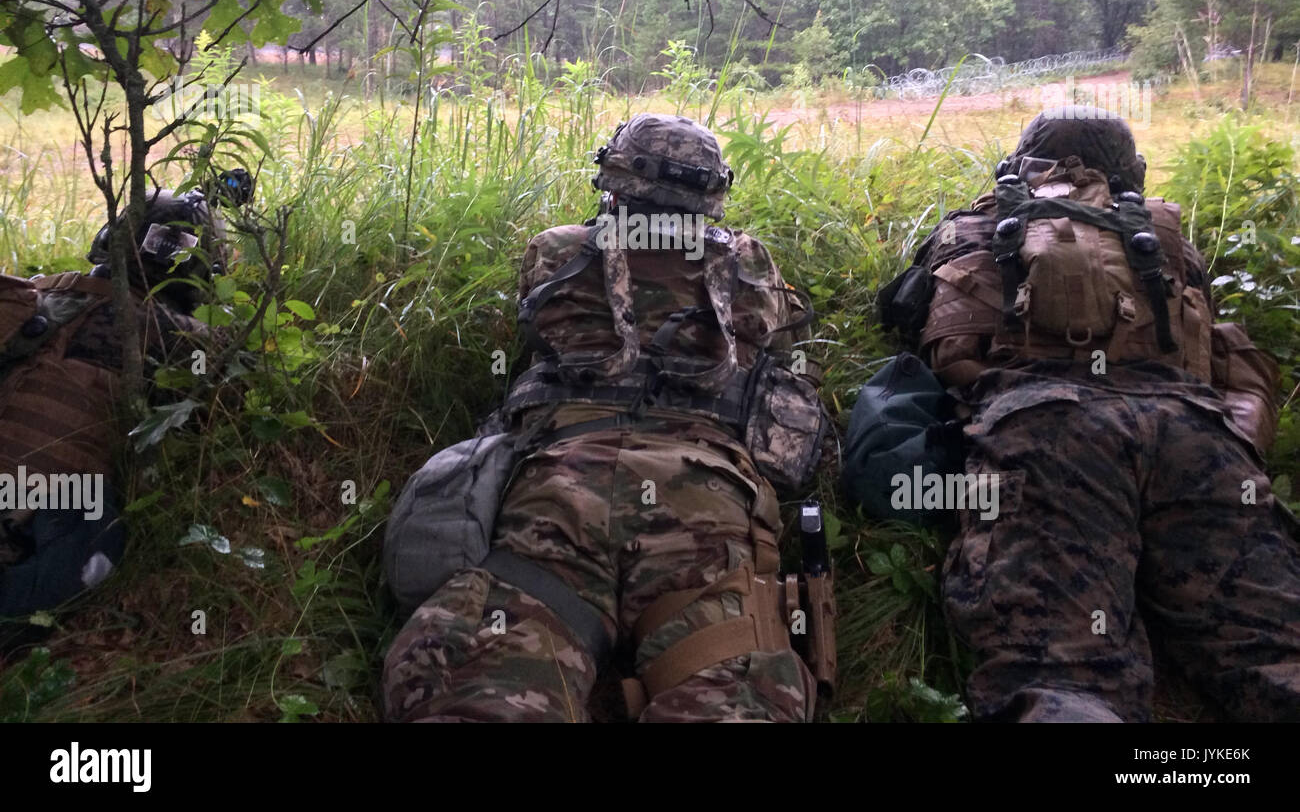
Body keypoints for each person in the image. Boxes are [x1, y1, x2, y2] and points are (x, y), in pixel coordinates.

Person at [384, 113, 833, 723]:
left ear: (615, 183)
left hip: (561, 486)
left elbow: (533, 333)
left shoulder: (559, 249)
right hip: (704, 499)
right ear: (712, 195)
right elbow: (781, 344)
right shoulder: (750, 264)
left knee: (476, 680)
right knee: (738, 692)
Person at [878, 107, 1300, 722]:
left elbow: (945, 350)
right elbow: (1204, 347)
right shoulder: (1156, 232)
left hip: (1050, 433)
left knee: (1062, 672)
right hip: (1193, 433)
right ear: (1132, 170)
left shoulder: (979, 226)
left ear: (1021, 162)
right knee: (1277, 646)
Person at [0, 176, 245, 625]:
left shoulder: (39, 292)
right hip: (39, 513)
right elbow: (247, 382)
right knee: (102, 531)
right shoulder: (169, 332)